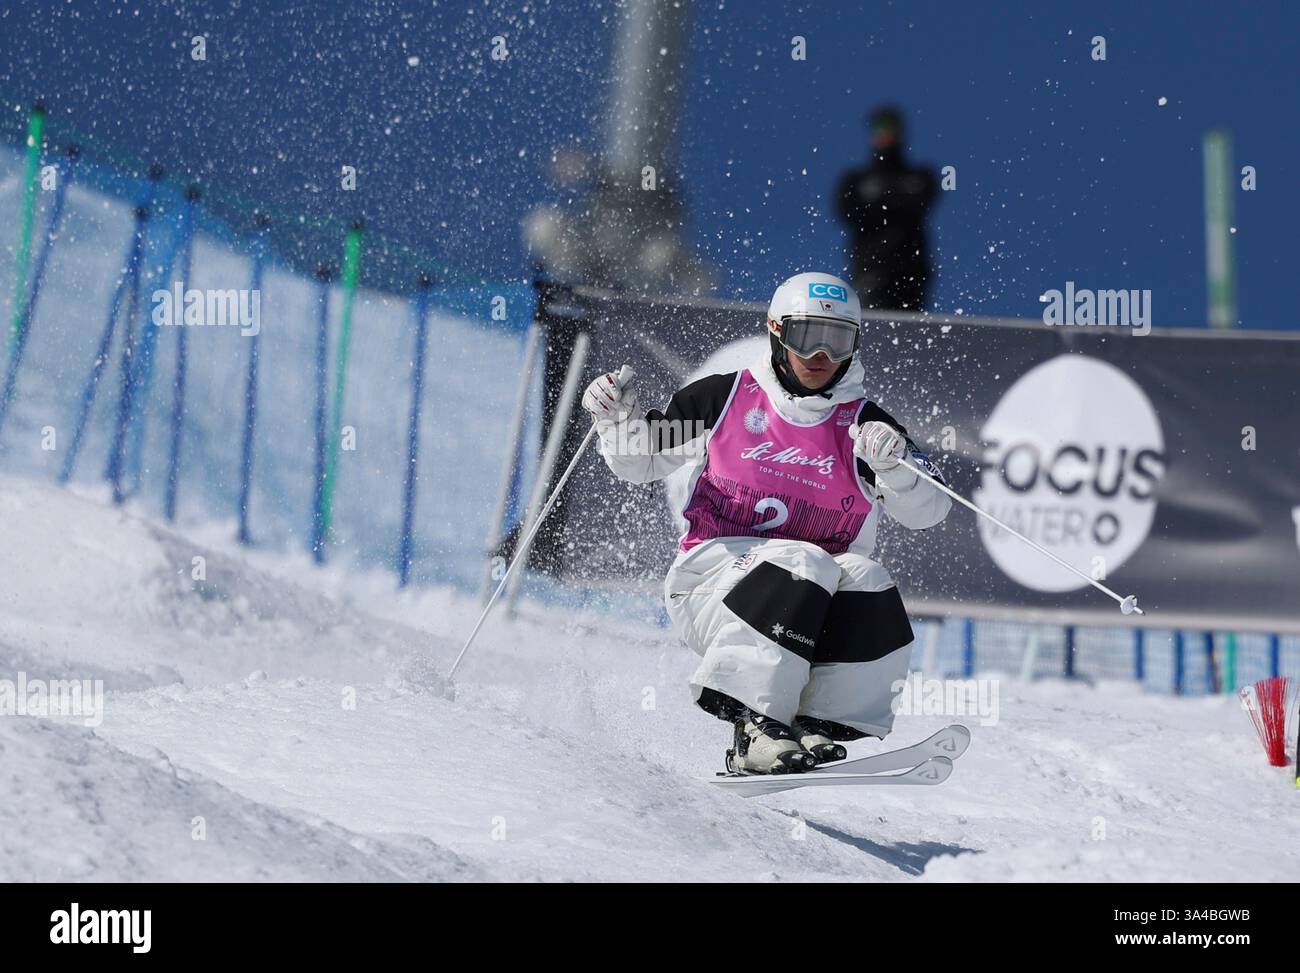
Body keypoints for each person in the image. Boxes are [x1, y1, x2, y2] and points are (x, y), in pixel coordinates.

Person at [581, 272, 951, 774]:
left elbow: (929, 512)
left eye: (837, 340)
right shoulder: (724, 400)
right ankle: (753, 723)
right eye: (807, 336)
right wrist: (616, 421)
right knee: (802, 558)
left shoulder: (866, 429)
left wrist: (894, 469)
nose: (821, 356)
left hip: (810, 608)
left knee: (867, 579)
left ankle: (819, 720)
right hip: (711, 585)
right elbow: (641, 458)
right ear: (777, 332)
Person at [834, 106, 938, 312]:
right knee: (873, 323)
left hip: (912, 270)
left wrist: (878, 203)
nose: (884, 133)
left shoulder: (920, 175)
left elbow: (923, 201)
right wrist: (896, 201)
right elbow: (847, 212)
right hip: (870, 267)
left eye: (889, 126)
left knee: (910, 328)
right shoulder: (856, 179)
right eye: (878, 127)